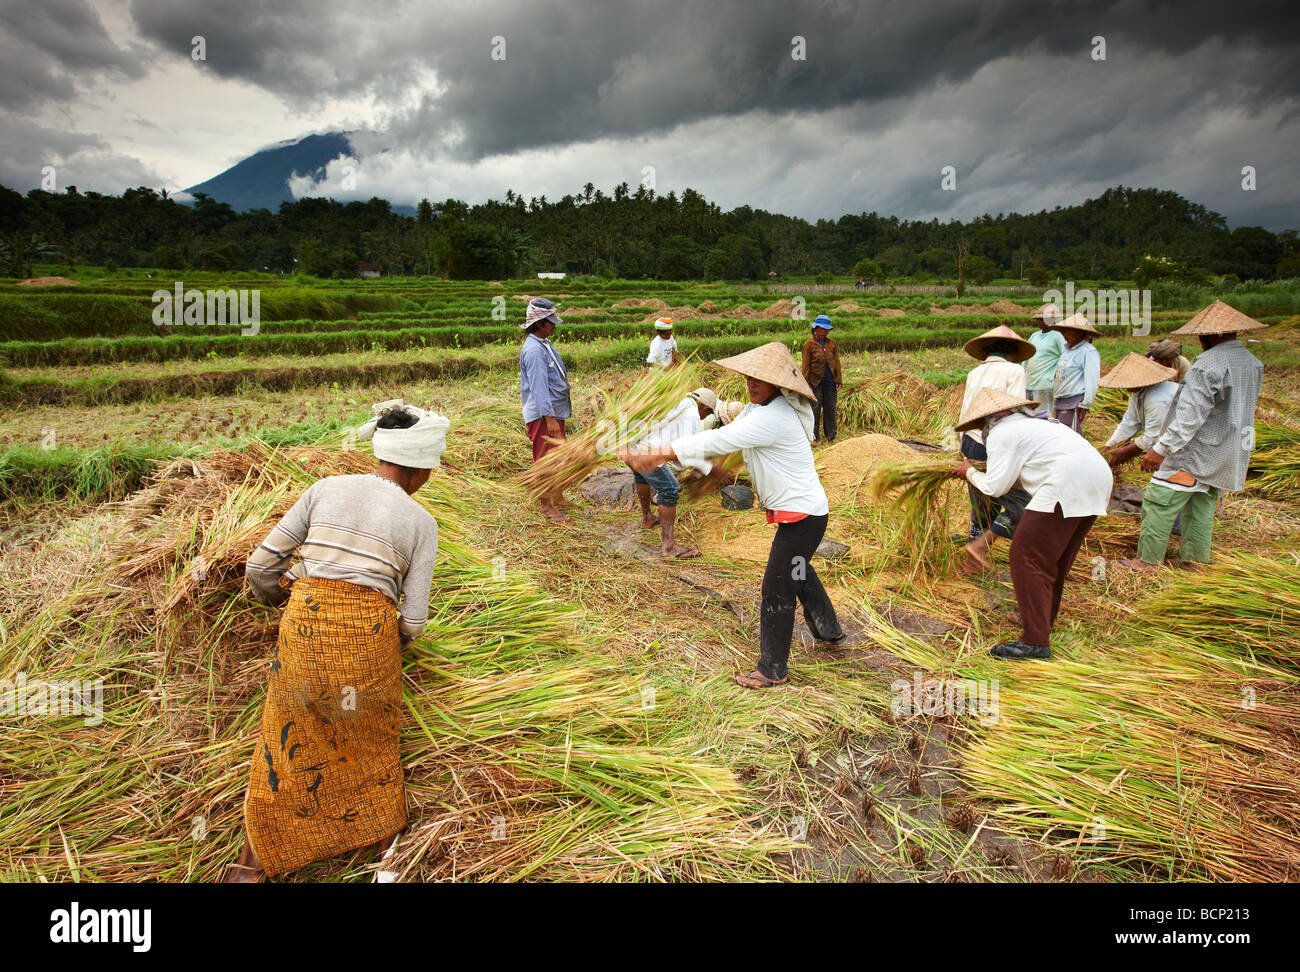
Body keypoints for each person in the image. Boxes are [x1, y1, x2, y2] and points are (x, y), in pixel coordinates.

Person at [228, 400, 449, 882]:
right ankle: (381, 856)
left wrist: (285, 603)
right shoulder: (421, 522)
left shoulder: (324, 489)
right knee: (370, 743)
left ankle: (250, 869)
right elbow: (413, 620)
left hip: (304, 631)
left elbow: (260, 567)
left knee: (282, 744)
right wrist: (387, 648)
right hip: (368, 646)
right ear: (420, 468)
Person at [621, 342, 845, 688]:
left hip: (804, 515)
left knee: (777, 587)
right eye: (748, 377)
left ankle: (773, 669)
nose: (751, 384)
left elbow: (718, 441)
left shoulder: (774, 416)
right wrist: (717, 470)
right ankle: (829, 630)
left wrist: (660, 453)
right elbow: (730, 438)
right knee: (798, 570)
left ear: (777, 384)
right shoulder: (758, 409)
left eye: (759, 379)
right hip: (806, 511)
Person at [951, 388, 1112, 660]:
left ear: (989, 420)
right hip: (1097, 479)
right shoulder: (1037, 424)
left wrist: (969, 472)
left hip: (1066, 482)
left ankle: (1035, 642)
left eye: (981, 425)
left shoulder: (1003, 433)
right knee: (1053, 559)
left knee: (1026, 555)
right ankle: (1041, 622)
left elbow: (995, 486)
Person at [1118, 301, 1266, 571]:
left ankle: (1147, 561)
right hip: (1226, 451)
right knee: (1200, 503)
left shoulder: (1207, 365)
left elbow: (1190, 415)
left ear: (1216, 334)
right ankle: (1195, 561)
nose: (1201, 340)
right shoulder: (1251, 363)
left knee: (1159, 499)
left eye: (1203, 335)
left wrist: (1160, 450)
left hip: (1194, 453)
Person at [957, 324, 1036, 572]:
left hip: (970, 440)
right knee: (1020, 503)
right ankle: (981, 546)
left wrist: (961, 446)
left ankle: (973, 558)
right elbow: (1016, 409)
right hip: (997, 442)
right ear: (1011, 351)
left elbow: (965, 410)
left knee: (981, 501)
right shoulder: (1015, 370)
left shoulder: (974, 373)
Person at [625, 393, 703, 559]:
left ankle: (648, 518)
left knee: (641, 476)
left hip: (631, 445)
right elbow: (687, 445)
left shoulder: (661, 397)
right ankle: (669, 546)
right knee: (670, 488)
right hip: (647, 451)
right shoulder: (688, 408)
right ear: (704, 407)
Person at [519, 297, 572, 520]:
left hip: (554, 411)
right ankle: (545, 505)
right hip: (544, 415)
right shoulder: (533, 350)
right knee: (544, 459)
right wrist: (549, 419)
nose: (553, 325)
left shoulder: (545, 344)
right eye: (550, 321)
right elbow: (539, 388)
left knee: (558, 456)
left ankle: (557, 496)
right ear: (539, 323)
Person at [1097, 353, 1180, 468]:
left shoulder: (1157, 399)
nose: (1125, 386)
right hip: (1168, 444)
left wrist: (1125, 452)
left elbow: (1153, 436)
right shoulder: (1138, 391)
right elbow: (1129, 423)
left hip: (1180, 446)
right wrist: (1107, 449)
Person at [1050, 313, 1101, 432]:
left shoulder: (1087, 351)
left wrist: (1086, 403)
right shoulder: (1067, 350)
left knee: (1069, 435)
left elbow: (1092, 379)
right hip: (1062, 400)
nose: (1065, 335)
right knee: (1061, 433)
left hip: (1074, 401)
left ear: (1080, 332)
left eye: (1069, 331)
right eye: (1064, 332)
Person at [801, 314, 843, 443]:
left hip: (829, 381)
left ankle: (831, 435)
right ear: (816, 329)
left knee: (830, 408)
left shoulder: (832, 344)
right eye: (821, 329)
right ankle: (814, 437)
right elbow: (806, 365)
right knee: (815, 409)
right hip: (815, 382)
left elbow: (837, 361)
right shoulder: (809, 344)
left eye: (826, 330)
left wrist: (839, 378)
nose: (824, 332)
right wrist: (805, 384)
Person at [1024, 303, 1065, 410]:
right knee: (1027, 415)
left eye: (1042, 319)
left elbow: (1065, 359)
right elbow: (1026, 357)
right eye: (1038, 319)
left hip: (1044, 384)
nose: (1039, 321)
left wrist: (1058, 381)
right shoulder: (1034, 335)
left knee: (1042, 416)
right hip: (1029, 382)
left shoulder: (1057, 336)